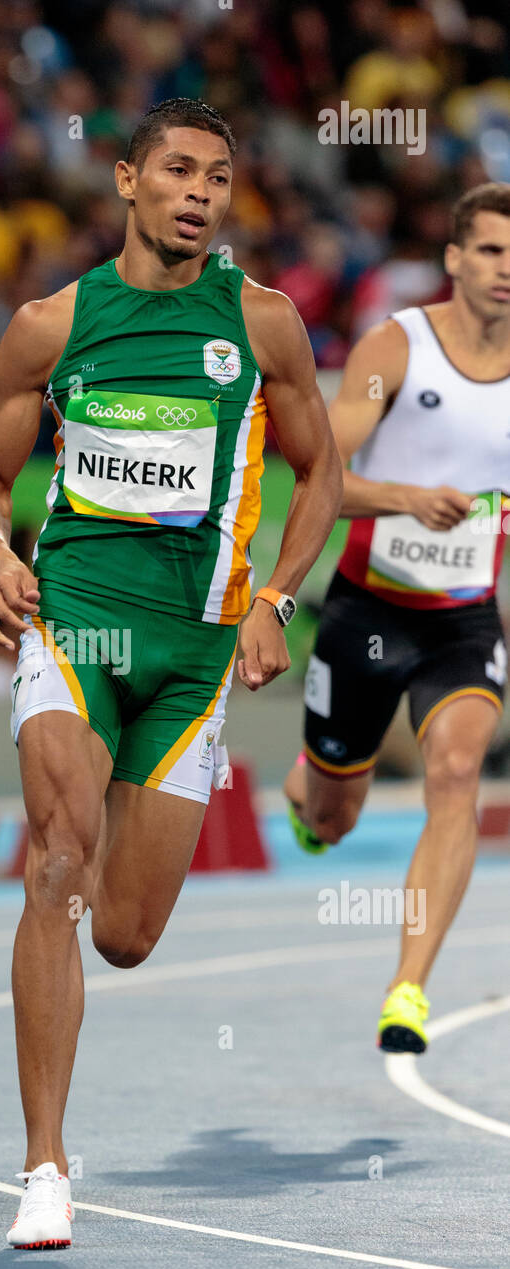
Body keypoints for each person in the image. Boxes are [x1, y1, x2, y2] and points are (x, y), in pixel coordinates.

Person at [0, 98, 342, 1250]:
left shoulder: (263, 325)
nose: (199, 194)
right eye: (176, 170)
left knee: (122, 931)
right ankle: (42, 1166)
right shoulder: (50, 325)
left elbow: (321, 473)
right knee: (56, 863)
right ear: (125, 181)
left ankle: (53, 1133)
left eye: (217, 178)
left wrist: (274, 599)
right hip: (76, 621)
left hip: (193, 659)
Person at [284, 183, 510, 1055]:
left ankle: (408, 988)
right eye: (489, 250)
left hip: (465, 623)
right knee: (334, 814)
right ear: (454, 258)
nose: (504, 270)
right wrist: (408, 499)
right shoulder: (396, 346)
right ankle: (308, 796)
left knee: (457, 773)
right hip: (367, 612)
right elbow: (322, 477)